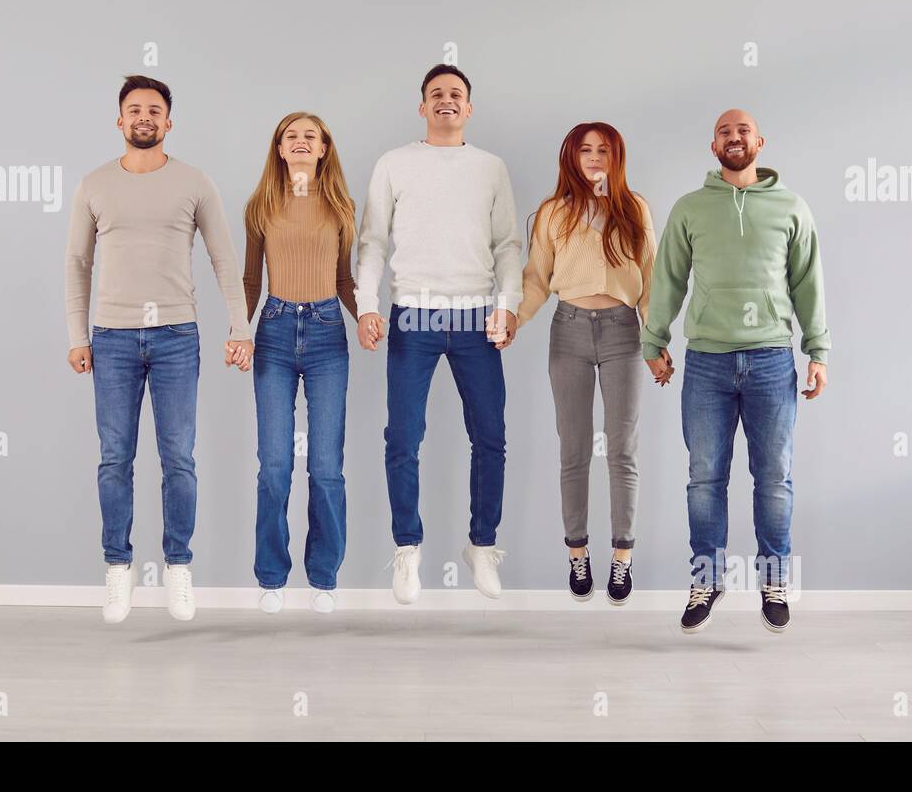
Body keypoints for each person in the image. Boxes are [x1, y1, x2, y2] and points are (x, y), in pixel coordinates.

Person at [64, 74, 252, 624]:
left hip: (176, 336)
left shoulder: (195, 183)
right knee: (114, 458)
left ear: (169, 123)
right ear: (119, 121)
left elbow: (224, 260)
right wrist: (78, 336)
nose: (144, 117)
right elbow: (78, 265)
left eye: (154, 110)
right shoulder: (93, 185)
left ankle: (178, 567)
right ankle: (118, 568)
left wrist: (240, 328)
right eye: (134, 109)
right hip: (113, 338)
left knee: (179, 458)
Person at [641, 109, 829, 634]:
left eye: (743, 129)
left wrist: (819, 351)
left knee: (773, 479)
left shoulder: (791, 209)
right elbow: (668, 280)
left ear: (760, 142)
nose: (734, 137)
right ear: (713, 146)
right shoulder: (690, 209)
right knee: (704, 479)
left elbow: (808, 284)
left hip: (772, 361)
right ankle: (708, 579)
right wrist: (652, 338)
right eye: (725, 131)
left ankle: (773, 582)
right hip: (706, 363)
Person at [355, 64, 523, 604]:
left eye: (456, 95)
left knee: (491, 437)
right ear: (421, 106)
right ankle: (407, 549)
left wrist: (507, 306)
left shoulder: (491, 167)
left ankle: (482, 544)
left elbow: (507, 246)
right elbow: (373, 240)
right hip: (415, 315)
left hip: (476, 316)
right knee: (403, 437)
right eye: (436, 95)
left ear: (469, 108)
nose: (446, 101)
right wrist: (365, 305)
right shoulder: (394, 164)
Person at [516, 122, 656, 604]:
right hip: (569, 330)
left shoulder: (634, 208)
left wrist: (656, 343)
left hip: (623, 332)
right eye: (586, 150)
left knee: (623, 449)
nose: (594, 158)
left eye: (603, 150)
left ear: (616, 158)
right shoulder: (554, 212)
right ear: (571, 158)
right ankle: (578, 552)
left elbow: (651, 275)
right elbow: (535, 278)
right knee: (573, 449)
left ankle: (622, 557)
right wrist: (515, 319)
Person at [242, 112, 358, 616]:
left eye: (311, 135)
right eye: (293, 136)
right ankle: (271, 576)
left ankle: (325, 576)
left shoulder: (341, 208)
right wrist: (238, 331)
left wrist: (366, 317)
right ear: (281, 148)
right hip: (273, 330)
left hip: (329, 333)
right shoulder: (261, 206)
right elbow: (249, 280)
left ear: (324, 147)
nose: (302, 141)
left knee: (327, 466)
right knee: (274, 464)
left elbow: (347, 280)